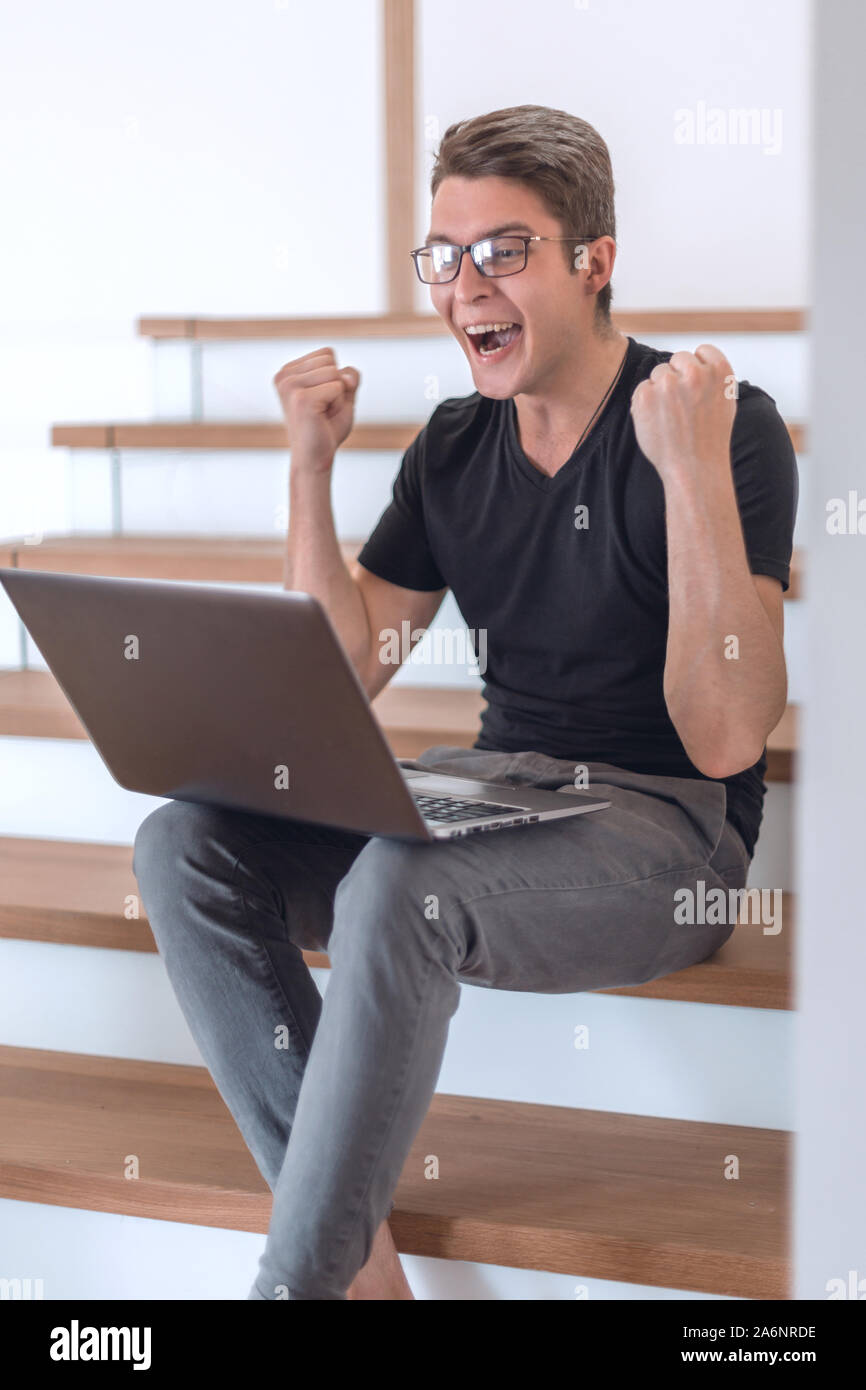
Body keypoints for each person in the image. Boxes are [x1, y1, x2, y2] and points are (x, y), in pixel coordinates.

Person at [132, 104, 797, 1300]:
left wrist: (688, 471)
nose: (462, 285)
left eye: (503, 249)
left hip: (660, 830)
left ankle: (295, 1285)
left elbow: (724, 732)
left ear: (594, 262)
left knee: (400, 881)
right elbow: (336, 681)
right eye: (444, 255)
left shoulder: (715, 422)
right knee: (183, 841)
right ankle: (357, 1258)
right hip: (491, 798)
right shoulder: (449, 449)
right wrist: (308, 466)